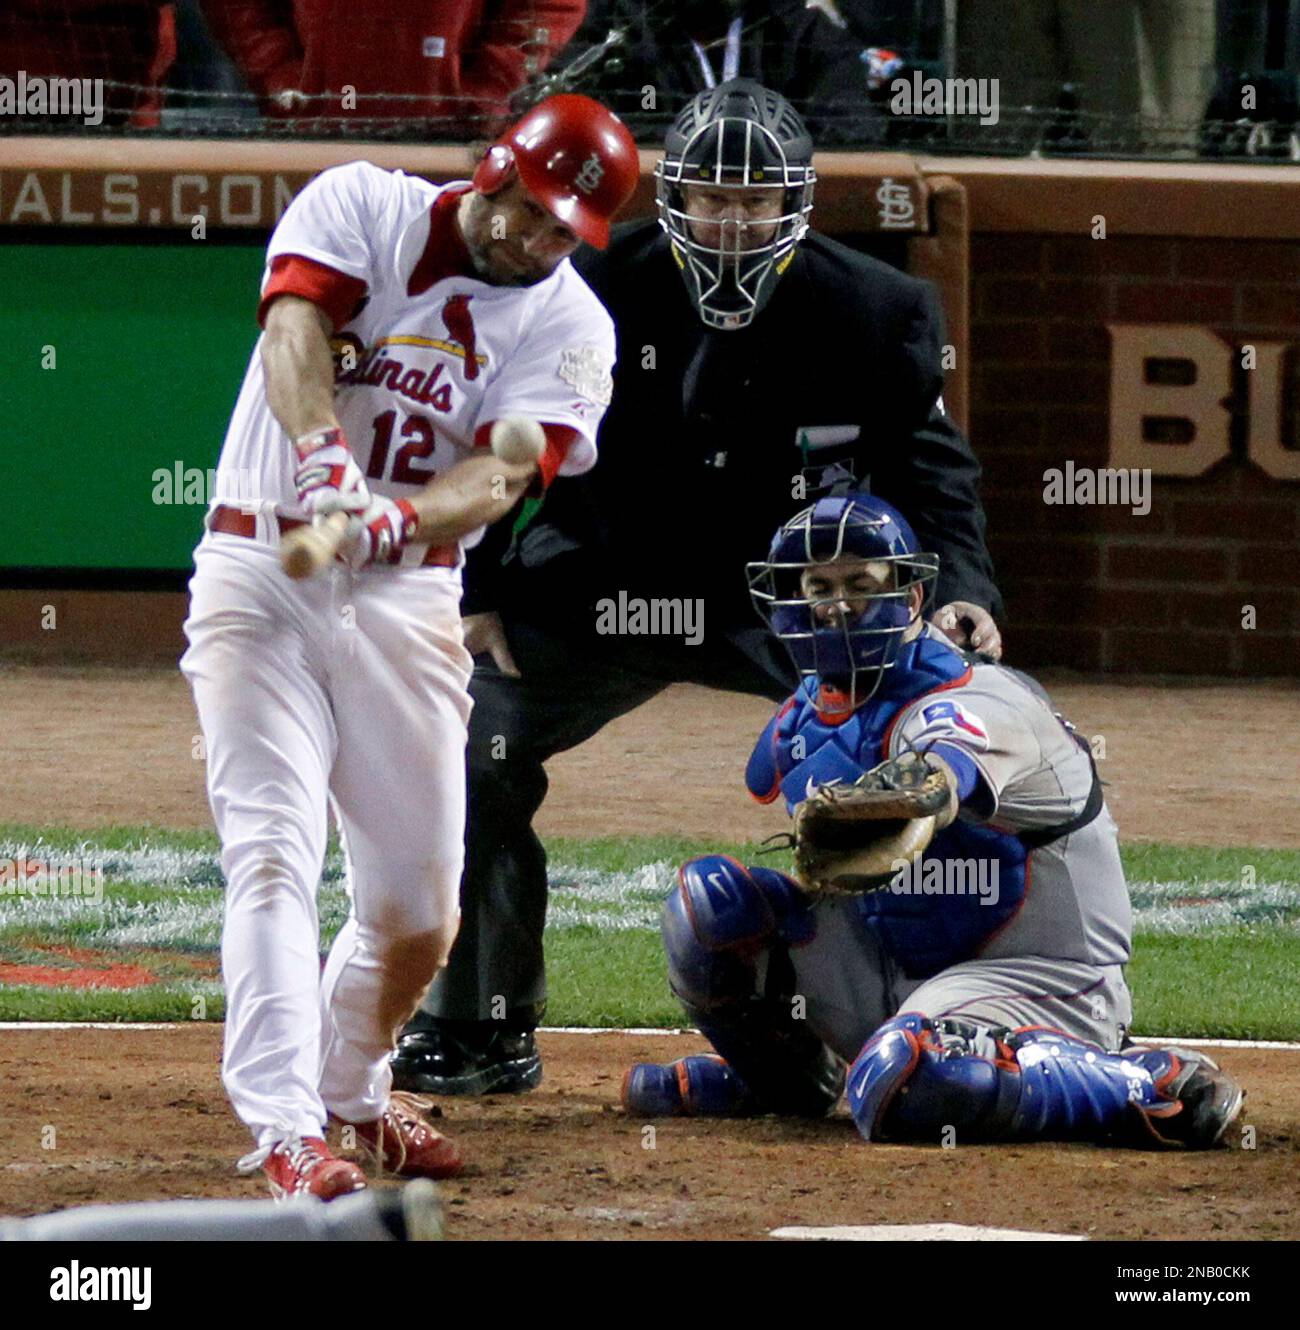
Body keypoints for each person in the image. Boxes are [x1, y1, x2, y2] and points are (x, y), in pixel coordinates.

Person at [392, 79, 1003, 1099]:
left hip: (802, 607)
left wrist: (964, 592)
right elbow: (505, 436)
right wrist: (478, 585)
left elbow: (935, 468)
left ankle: (944, 1024)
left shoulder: (877, 307)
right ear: (669, 195)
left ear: (793, 203)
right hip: (599, 582)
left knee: (940, 749)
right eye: (710, 194)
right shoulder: (582, 281)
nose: (730, 216)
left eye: (751, 197)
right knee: (461, 746)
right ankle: (477, 1027)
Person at [179, 93, 639, 1198]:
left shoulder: (572, 325)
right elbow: (294, 331)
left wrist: (397, 516)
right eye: (529, 211)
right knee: (275, 852)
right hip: (263, 568)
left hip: (410, 600)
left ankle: (353, 1087)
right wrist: (326, 463)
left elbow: (504, 470)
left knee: (417, 907)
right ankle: (287, 1129)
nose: (537, 241)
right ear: (494, 171)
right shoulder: (362, 204)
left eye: (561, 230)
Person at [621, 494, 1245, 1151]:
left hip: (1037, 982)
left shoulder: (977, 697)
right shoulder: (804, 723)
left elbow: (944, 769)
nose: (837, 606)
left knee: (913, 1079)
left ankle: (1146, 1083)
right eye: (818, 587)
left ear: (911, 600)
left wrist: (914, 791)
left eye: (861, 585)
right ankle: (785, 1081)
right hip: (898, 978)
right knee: (708, 910)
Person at [200, 0, 587, 135]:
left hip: (452, 150)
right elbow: (235, 7)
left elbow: (552, 5)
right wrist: (283, 79)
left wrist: (488, 85)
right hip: (313, 145)